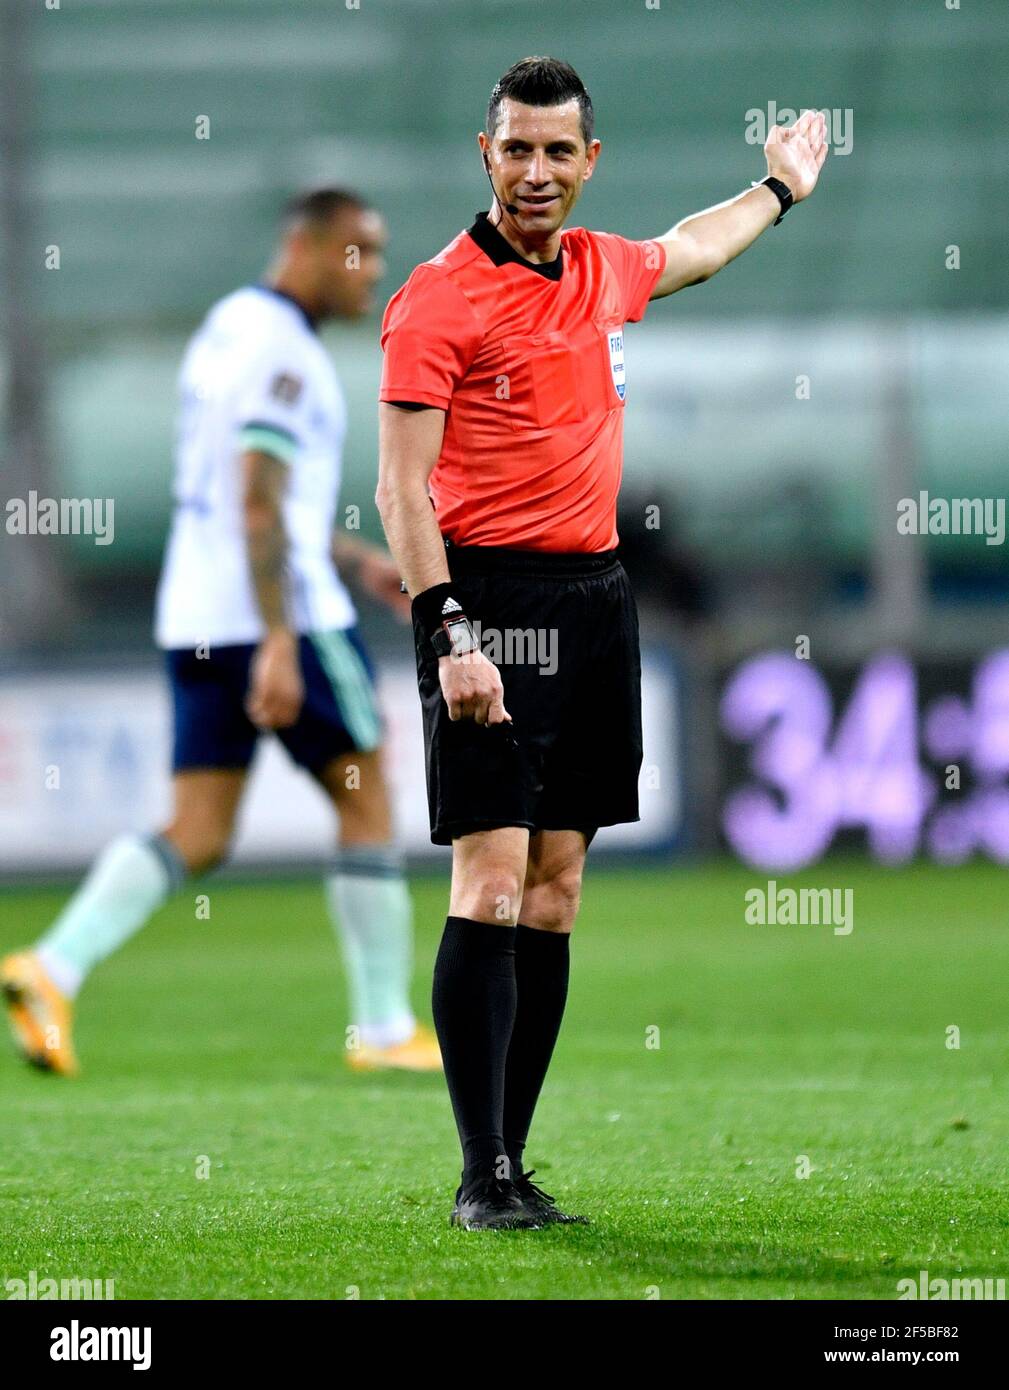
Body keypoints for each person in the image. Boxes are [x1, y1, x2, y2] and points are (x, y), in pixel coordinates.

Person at [375, 57, 827, 1228]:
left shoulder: (596, 269)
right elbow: (401, 489)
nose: (535, 171)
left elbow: (694, 245)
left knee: (557, 889)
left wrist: (777, 188)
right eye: (515, 148)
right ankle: (480, 1177)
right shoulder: (436, 298)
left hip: (595, 602)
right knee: (488, 878)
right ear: (485, 156)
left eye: (556, 151)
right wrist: (448, 634)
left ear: (588, 161)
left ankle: (514, 1163)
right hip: (489, 607)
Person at [2, 188, 441, 1079]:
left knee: (197, 829)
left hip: (197, 614)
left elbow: (254, 495)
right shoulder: (285, 354)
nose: (374, 272)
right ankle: (385, 1028)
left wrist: (355, 557)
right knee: (367, 794)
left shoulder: (224, 331)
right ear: (308, 247)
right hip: (283, 617)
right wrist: (280, 638)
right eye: (360, 251)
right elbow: (256, 497)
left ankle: (51, 966)